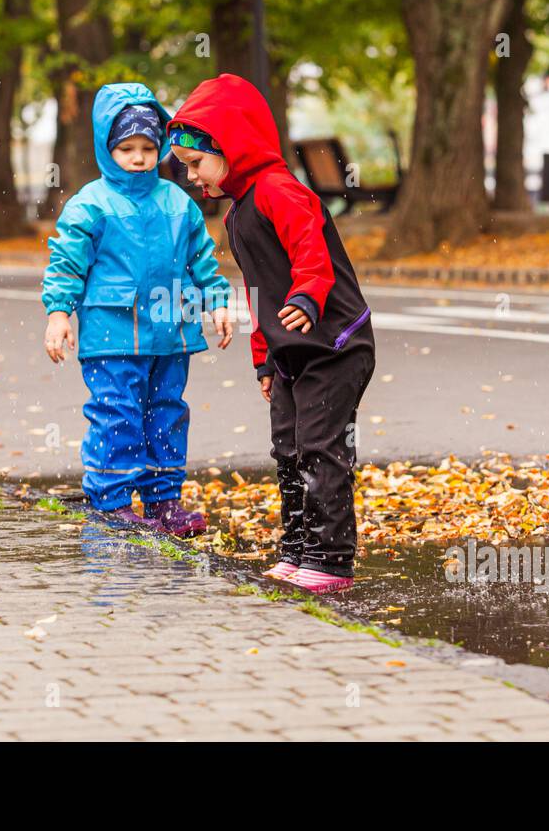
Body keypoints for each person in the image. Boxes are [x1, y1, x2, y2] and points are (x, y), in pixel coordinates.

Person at [168, 74, 374, 593]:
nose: (192, 176)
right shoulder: (238, 213)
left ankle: (331, 560)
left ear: (229, 147)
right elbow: (259, 293)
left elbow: (312, 255)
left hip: (334, 345)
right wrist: (264, 358)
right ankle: (297, 548)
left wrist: (307, 296)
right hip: (289, 353)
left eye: (196, 163)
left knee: (321, 447)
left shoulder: (281, 192)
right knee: (288, 448)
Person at [42, 82, 232, 535]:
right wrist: (58, 313)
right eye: (126, 147)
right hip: (112, 333)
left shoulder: (177, 202)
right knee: (118, 411)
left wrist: (219, 302)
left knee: (167, 411)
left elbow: (202, 259)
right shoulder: (90, 204)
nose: (139, 157)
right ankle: (110, 500)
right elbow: (66, 263)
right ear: (108, 147)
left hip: (171, 331)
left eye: (149, 146)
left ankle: (163, 501)